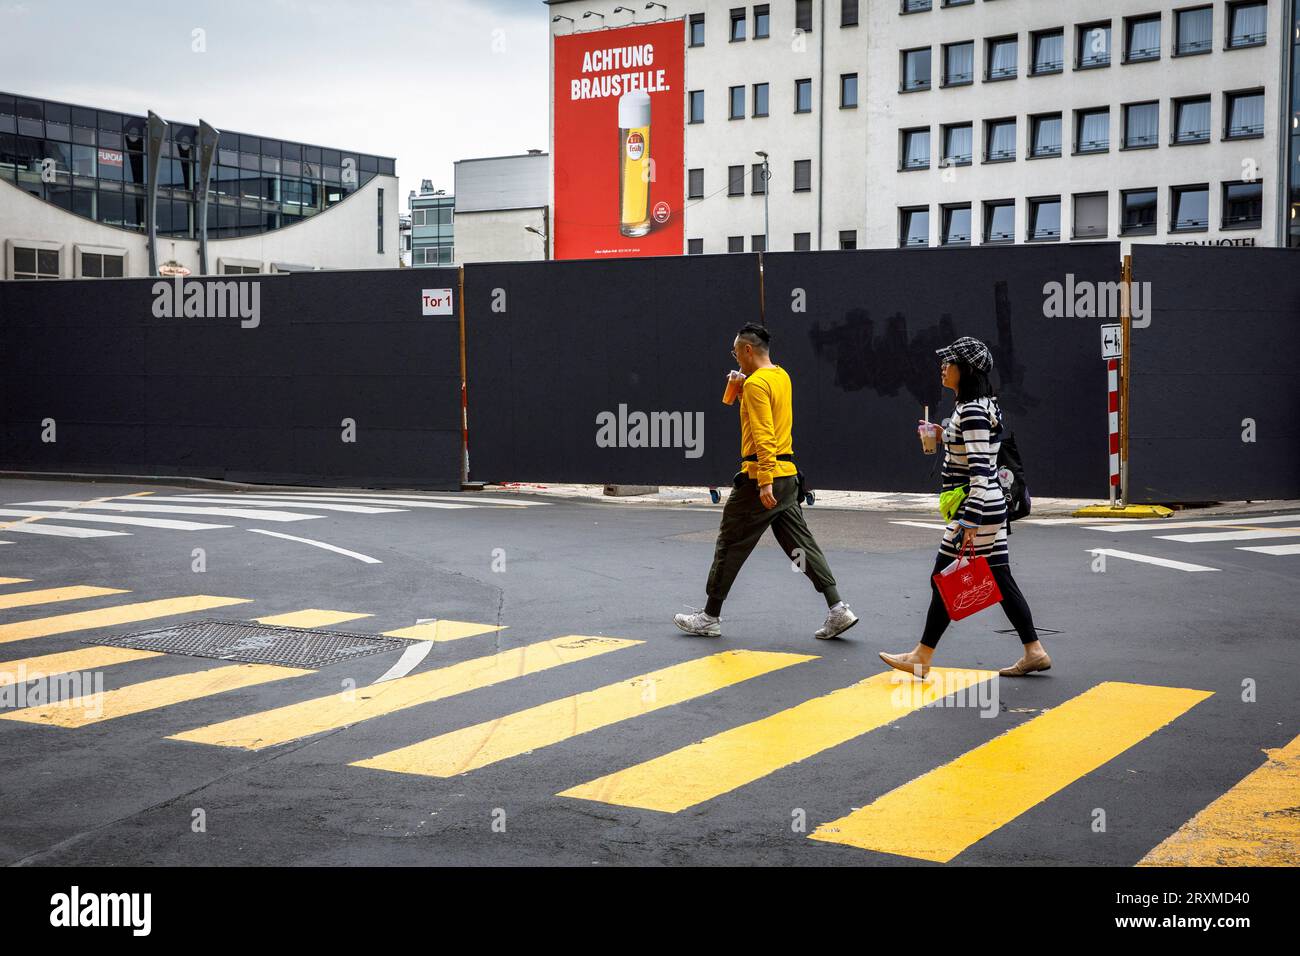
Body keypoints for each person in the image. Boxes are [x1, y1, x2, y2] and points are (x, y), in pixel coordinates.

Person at [879, 336, 1051, 678]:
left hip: (977, 506)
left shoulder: (971, 410)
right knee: (999, 577)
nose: (943, 367)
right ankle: (1034, 651)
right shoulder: (981, 405)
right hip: (991, 505)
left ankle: (921, 657)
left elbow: (980, 469)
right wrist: (944, 436)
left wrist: (969, 519)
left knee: (941, 577)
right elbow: (980, 447)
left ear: (966, 370)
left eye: (950, 363)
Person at [674, 324, 858, 640]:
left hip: (762, 476)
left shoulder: (757, 384)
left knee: (731, 541)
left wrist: (764, 481)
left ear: (747, 350)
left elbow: (763, 434)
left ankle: (709, 616)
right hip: (789, 477)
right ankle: (838, 609)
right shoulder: (780, 377)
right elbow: (764, 410)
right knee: (801, 544)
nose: (735, 358)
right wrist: (741, 386)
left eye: (735, 352)